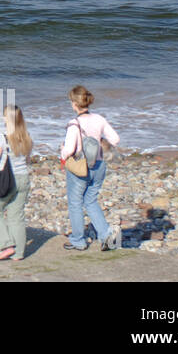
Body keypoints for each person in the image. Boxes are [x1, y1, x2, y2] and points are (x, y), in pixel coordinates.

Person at [60, 85, 121, 251]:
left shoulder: (74, 124)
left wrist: (62, 151)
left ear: (74, 104)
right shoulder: (99, 119)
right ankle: (106, 235)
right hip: (99, 165)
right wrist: (98, 140)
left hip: (81, 167)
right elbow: (115, 139)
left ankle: (78, 241)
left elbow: (70, 149)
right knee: (91, 200)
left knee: (75, 202)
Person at [0, 105, 33, 261]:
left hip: (7, 180)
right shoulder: (26, 136)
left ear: (7, 118)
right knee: (16, 215)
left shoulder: (2, 137)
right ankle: (19, 253)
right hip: (23, 178)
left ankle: (6, 245)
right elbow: (27, 160)